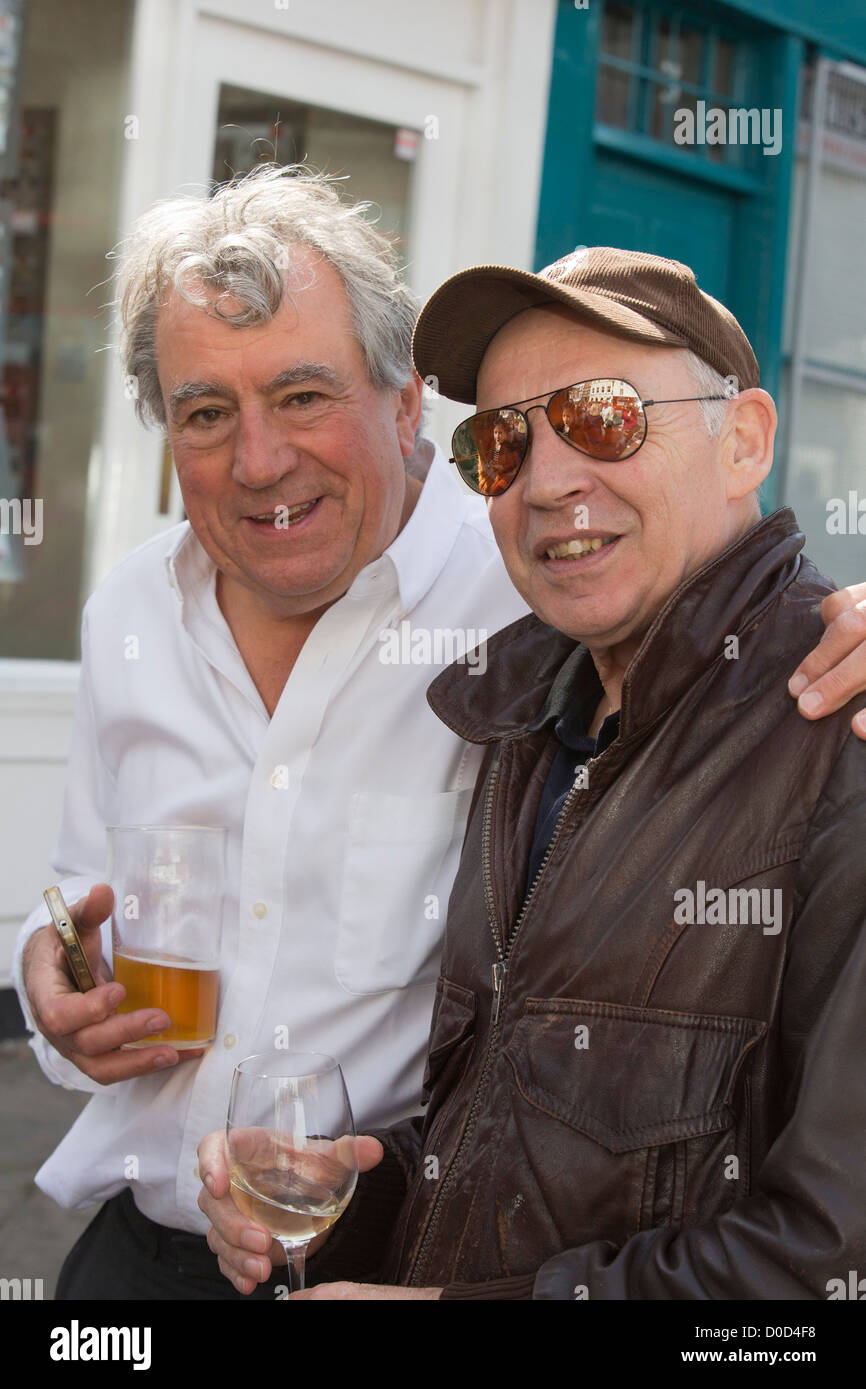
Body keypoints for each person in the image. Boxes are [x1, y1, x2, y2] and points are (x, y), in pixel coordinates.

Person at [200, 246, 866, 1300]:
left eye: (603, 417)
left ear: (741, 442)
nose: (548, 481)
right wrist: (355, 1198)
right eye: (503, 443)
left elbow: (829, 1263)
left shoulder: (841, 728)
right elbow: (529, 1119)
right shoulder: (526, 724)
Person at [11, 164, 527, 1300]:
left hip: (393, 1260)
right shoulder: (131, 611)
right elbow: (75, 908)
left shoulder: (523, 603)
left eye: (302, 397)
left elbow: (716, 633)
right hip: (137, 1261)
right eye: (207, 413)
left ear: (404, 406)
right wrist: (57, 996)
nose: (258, 461)